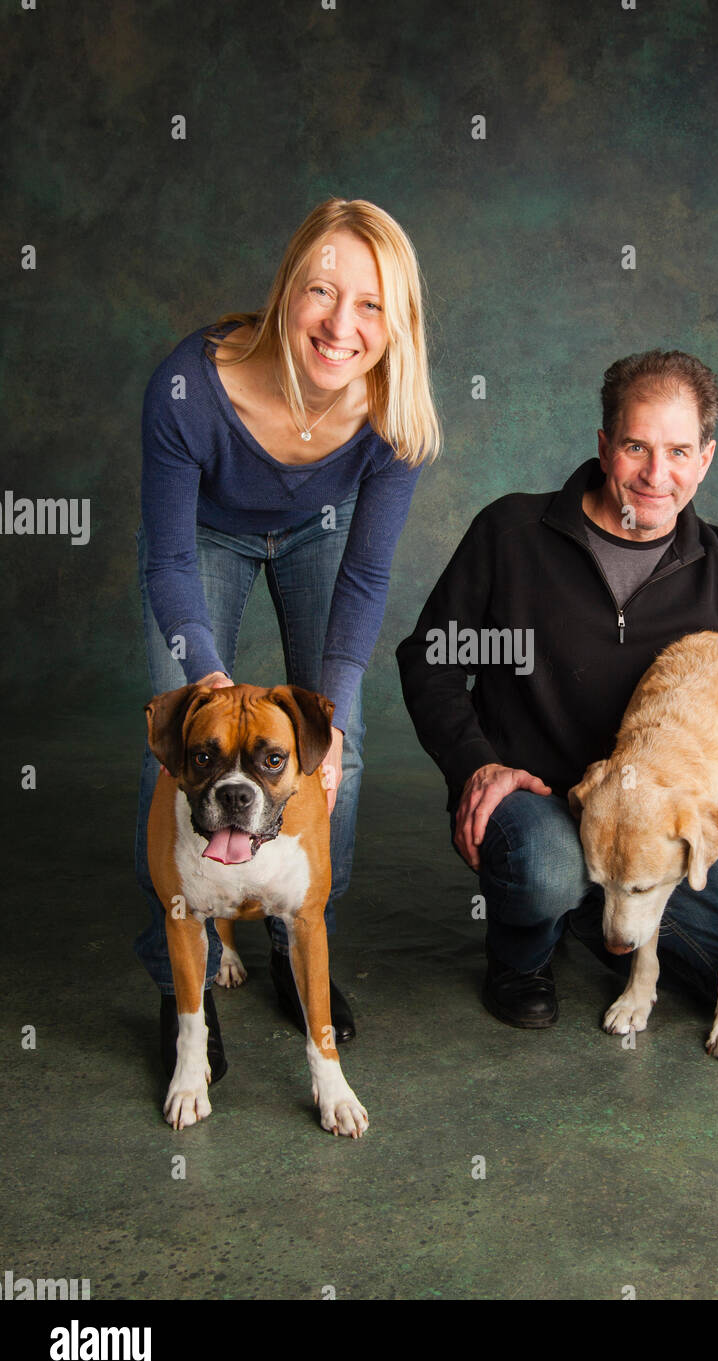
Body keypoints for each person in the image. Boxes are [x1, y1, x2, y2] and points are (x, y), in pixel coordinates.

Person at [396, 350, 718, 1028]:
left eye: (678, 451)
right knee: (547, 866)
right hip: (536, 806)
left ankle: (607, 909)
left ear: (704, 459)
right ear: (603, 446)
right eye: (635, 447)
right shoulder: (511, 534)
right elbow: (429, 658)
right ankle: (522, 954)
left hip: (653, 828)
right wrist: (475, 764)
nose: (655, 474)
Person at [135, 197, 441, 1079]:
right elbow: (165, 566)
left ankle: (297, 934)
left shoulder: (394, 411)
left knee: (339, 748)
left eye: (372, 303)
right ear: (285, 294)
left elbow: (366, 580)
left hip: (321, 535)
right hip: (201, 539)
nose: (342, 324)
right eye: (321, 291)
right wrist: (211, 686)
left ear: (398, 320)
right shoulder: (188, 389)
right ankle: (178, 977)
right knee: (168, 743)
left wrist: (334, 717)